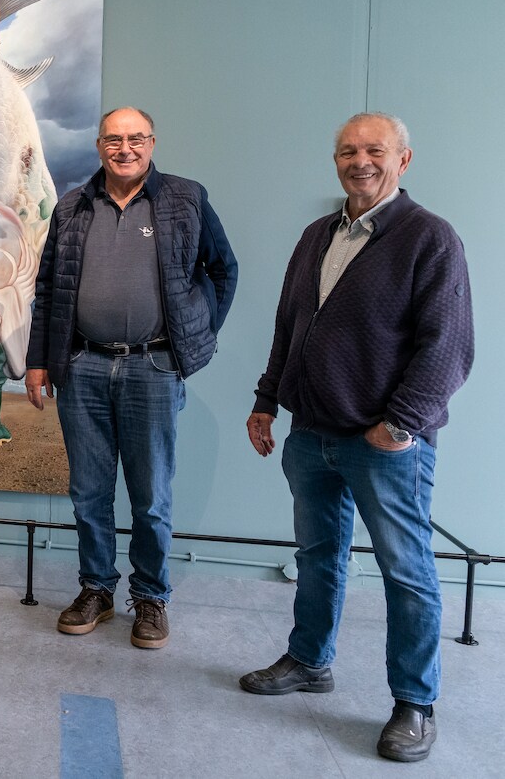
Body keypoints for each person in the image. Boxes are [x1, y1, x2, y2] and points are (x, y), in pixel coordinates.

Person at [240, 112, 473, 763]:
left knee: (407, 572)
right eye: (347, 150)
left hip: (386, 443)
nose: (360, 160)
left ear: (404, 160)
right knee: (318, 557)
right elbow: (291, 328)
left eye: (375, 149)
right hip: (311, 433)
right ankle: (310, 661)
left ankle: (416, 704)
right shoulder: (318, 235)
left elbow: (448, 347)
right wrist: (266, 402)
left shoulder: (431, 239)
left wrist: (400, 422)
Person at [25, 107, 237, 649]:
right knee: (88, 492)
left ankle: (150, 597)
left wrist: (196, 330)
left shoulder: (185, 199)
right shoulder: (72, 207)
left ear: (152, 142)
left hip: (154, 367)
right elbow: (47, 289)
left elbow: (223, 269)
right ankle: (95, 587)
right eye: (114, 139)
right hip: (84, 367)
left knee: (151, 496)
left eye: (135, 138)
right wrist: (38, 360)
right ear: (99, 146)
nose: (125, 149)